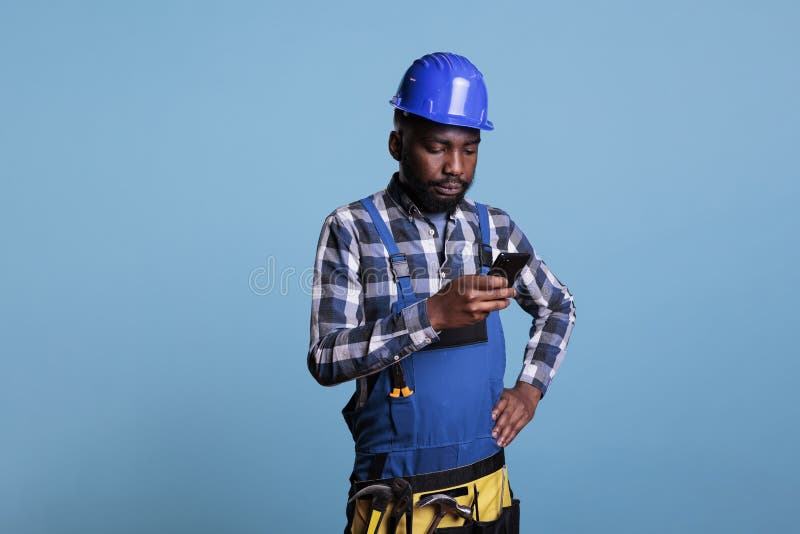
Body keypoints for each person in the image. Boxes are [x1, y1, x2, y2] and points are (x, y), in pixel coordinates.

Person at [307, 52, 576, 533]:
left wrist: (530, 391)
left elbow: (557, 305)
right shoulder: (352, 229)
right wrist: (431, 314)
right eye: (437, 147)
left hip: (486, 490)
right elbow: (326, 359)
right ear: (397, 143)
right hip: (397, 496)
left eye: (469, 150)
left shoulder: (494, 229)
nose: (455, 166)